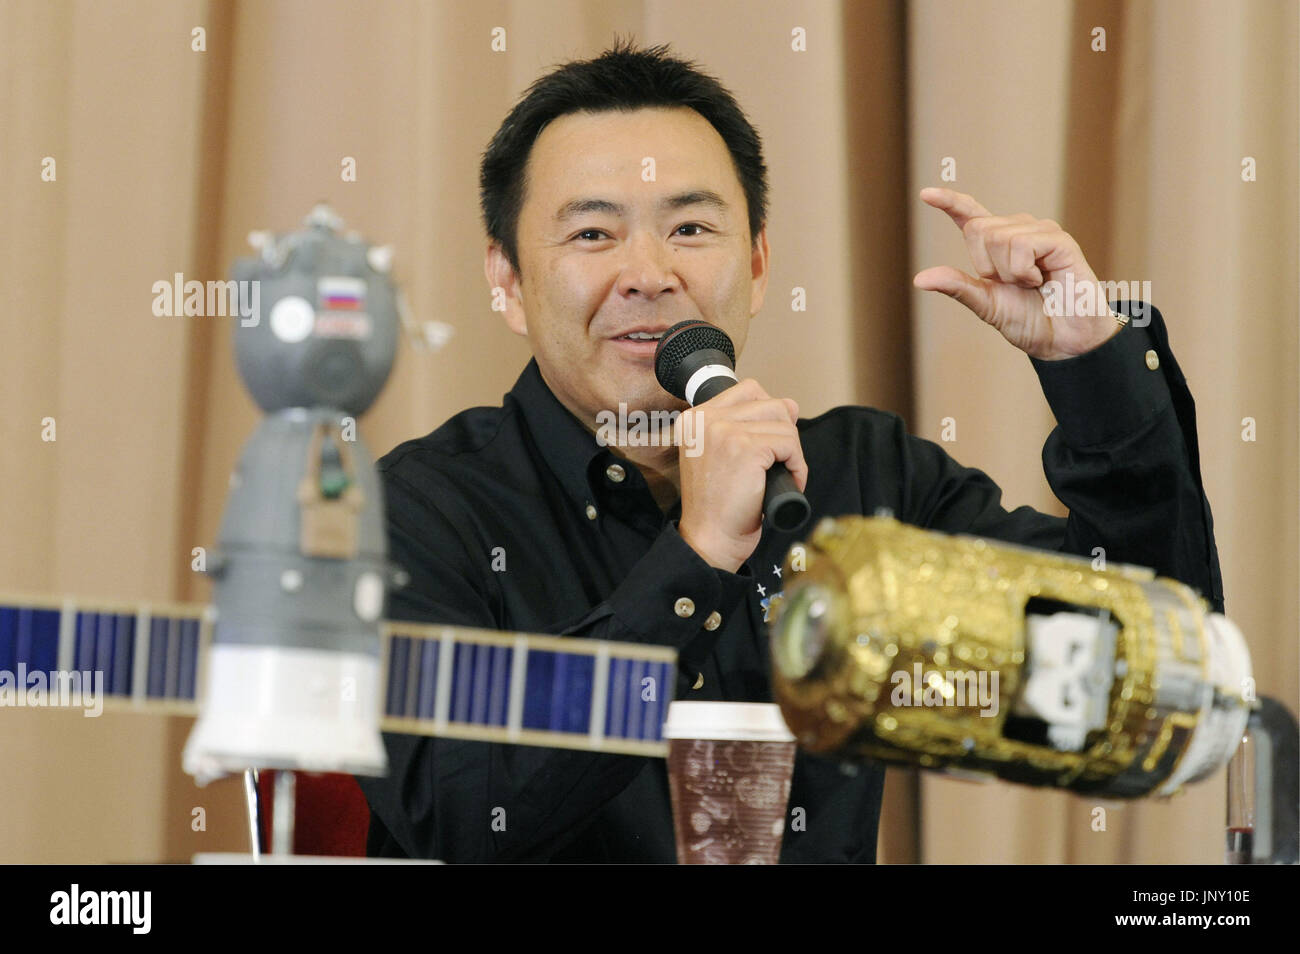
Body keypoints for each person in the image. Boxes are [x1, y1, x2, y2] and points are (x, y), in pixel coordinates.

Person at [355, 39, 1223, 862]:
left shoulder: (861, 480)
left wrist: (1094, 370)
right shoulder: (424, 510)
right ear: (506, 282)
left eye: (692, 229)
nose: (649, 272)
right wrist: (694, 562)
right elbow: (458, 820)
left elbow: (1143, 673)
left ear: (761, 264)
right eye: (593, 234)